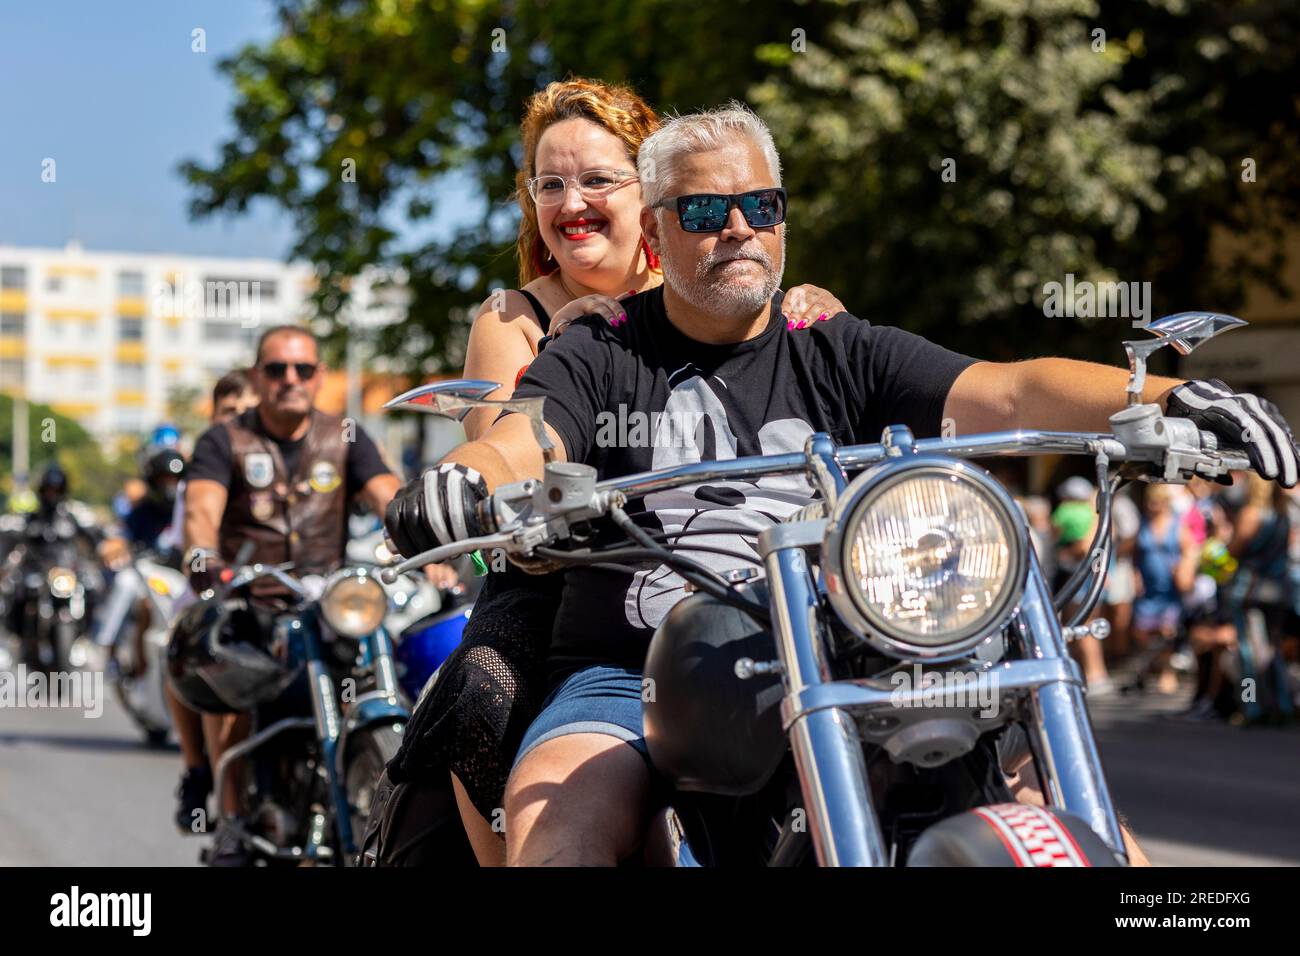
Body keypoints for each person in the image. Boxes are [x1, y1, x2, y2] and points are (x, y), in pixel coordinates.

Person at [384, 103, 1299, 865]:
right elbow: (524, 435)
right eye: (704, 211)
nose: (739, 227)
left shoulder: (833, 342)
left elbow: (1007, 389)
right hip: (631, 671)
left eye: (761, 204)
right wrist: (464, 475)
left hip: (848, 648)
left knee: (1055, 787)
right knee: (561, 817)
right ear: (657, 230)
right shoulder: (597, 347)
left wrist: (1170, 400)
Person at [383, 78, 847, 867]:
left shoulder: (718, 284)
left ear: (654, 195)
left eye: (598, 179)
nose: (572, 204)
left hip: (733, 573)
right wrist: (571, 356)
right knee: (481, 694)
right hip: (561, 587)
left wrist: (813, 312)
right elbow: (507, 454)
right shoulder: (513, 317)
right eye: (549, 185)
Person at [181, 325, 422, 865]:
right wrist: (203, 557)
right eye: (276, 369)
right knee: (230, 680)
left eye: (303, 369)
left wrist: (422, 531)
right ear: (257, 377)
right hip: (251, 601)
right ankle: (232, 820)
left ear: (318, 377)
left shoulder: (345, 435)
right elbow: (201, 510)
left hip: (328, 600)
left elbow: (388, 494)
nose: (290, 379)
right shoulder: (224, 440)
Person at [167, 370, 258, 833]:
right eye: (229, 412)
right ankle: (201, 774)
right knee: (191, 649)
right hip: (214, 589)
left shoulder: (283, 459)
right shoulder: (202, 469)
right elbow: (194, 529)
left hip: (278, 590)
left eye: (246, 411)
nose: (237, 420)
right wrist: (205, 560)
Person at [1129, 484, 1200, 694]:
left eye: (1157, 502)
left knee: (1168, 630)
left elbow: (1190, 550)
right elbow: (1135, 553)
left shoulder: (1178, 524)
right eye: (1150, 502)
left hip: (1170, 587)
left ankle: (1167, 672)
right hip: (1149, 587)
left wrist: (1184, 571)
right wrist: (1135, 575)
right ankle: (1153, 665)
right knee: (1142, 631)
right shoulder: (1143, 524)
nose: (1153, 506)